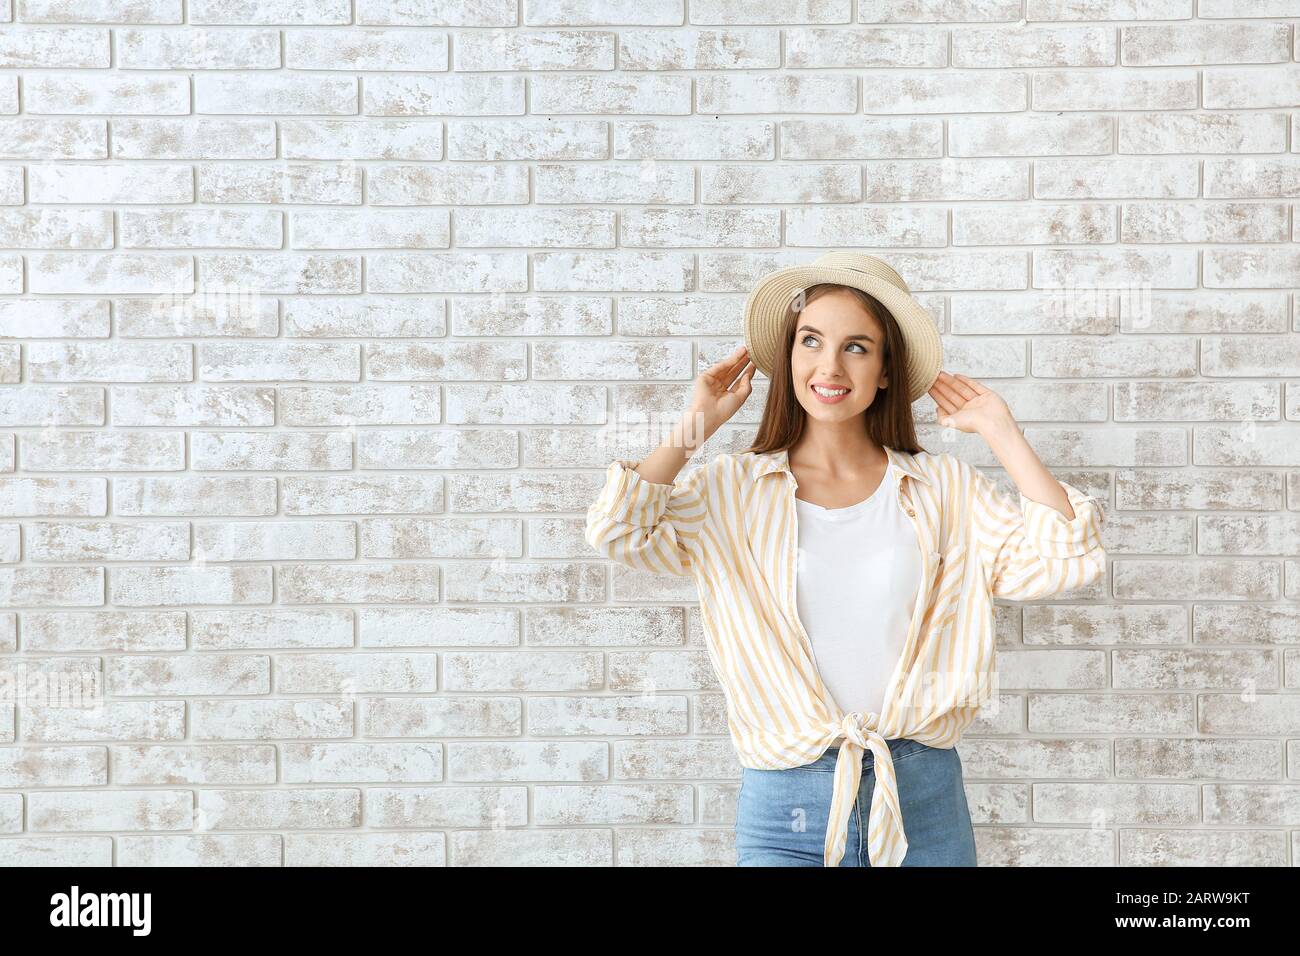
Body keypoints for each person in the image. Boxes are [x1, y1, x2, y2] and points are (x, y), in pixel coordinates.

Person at [585, 252, 1107, 866]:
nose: (830, 366)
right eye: (812, 341)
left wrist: (1001, 432)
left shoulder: (945, 490)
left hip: (922, 800)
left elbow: (1064, 560)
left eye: (857, 347)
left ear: (886, 370)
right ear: (788, 359)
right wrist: (694, 425)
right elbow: (618, 531)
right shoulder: (731, 490)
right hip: (785, 804)